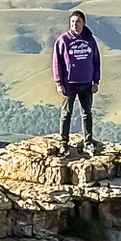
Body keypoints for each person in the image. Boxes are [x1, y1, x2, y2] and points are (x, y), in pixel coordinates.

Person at [52, 9, 101, 152]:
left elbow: (96, 61)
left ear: (84, 23)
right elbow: (57, 62)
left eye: (78, 22)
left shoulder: (90, 40)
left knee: (87, 113)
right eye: (72, 22)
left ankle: (88, 142)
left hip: (86, 83)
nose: (75, 24)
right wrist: (59, 82)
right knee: (66, 113)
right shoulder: (63, 41)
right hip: (69, 84)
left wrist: (96, 81)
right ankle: (63, 143)